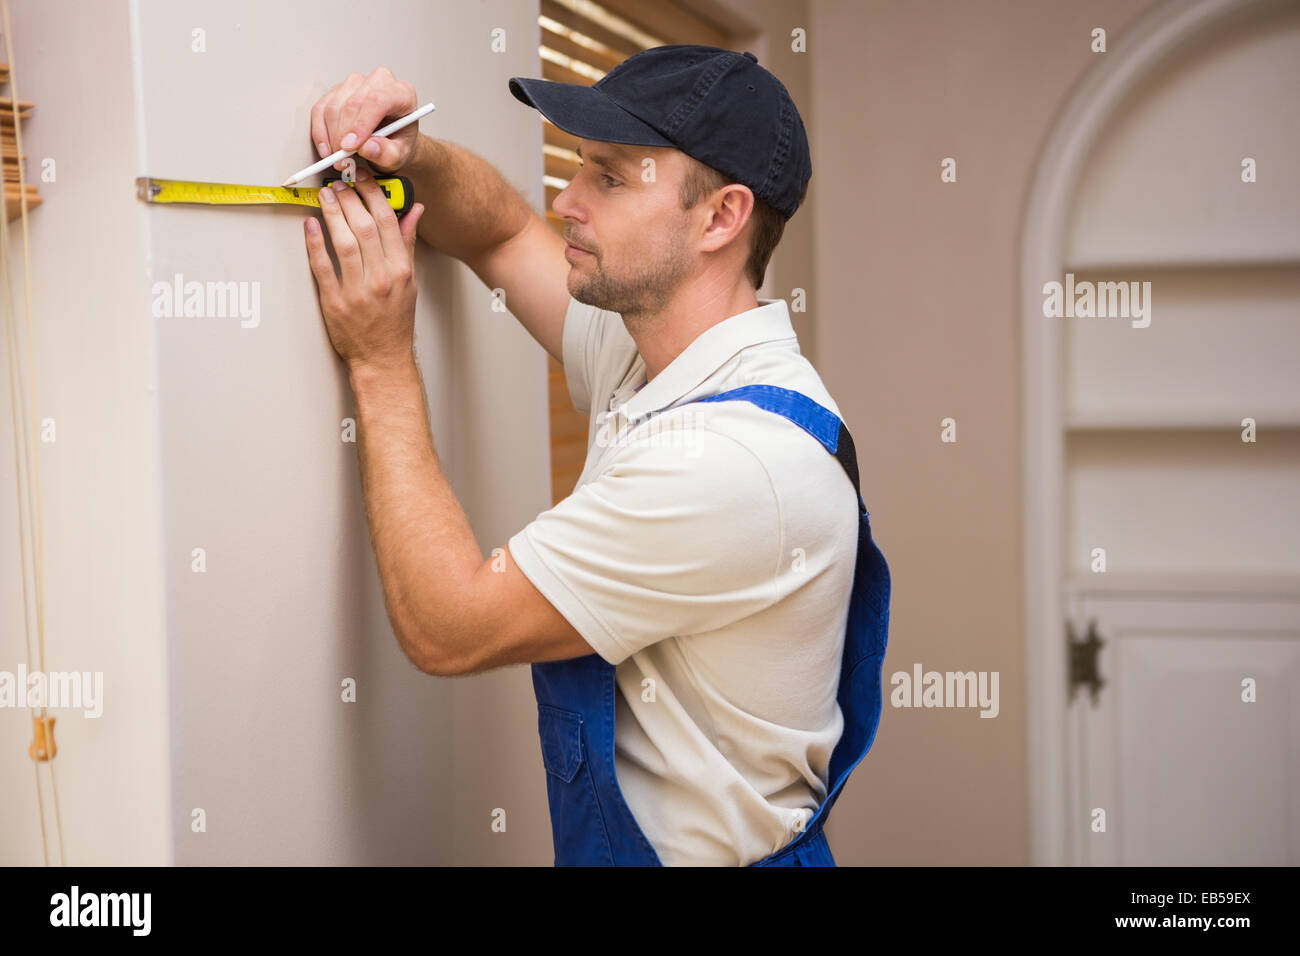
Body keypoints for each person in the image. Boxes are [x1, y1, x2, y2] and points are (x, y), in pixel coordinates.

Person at [300, 45, 890, 867]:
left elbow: (448, 626)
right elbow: (503, 230)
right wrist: (411, 155)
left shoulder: (732, 461)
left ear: (721, 217)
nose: (565, 201)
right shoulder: (651, 347)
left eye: (610, 179)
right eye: (579, 166)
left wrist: (380, 360)